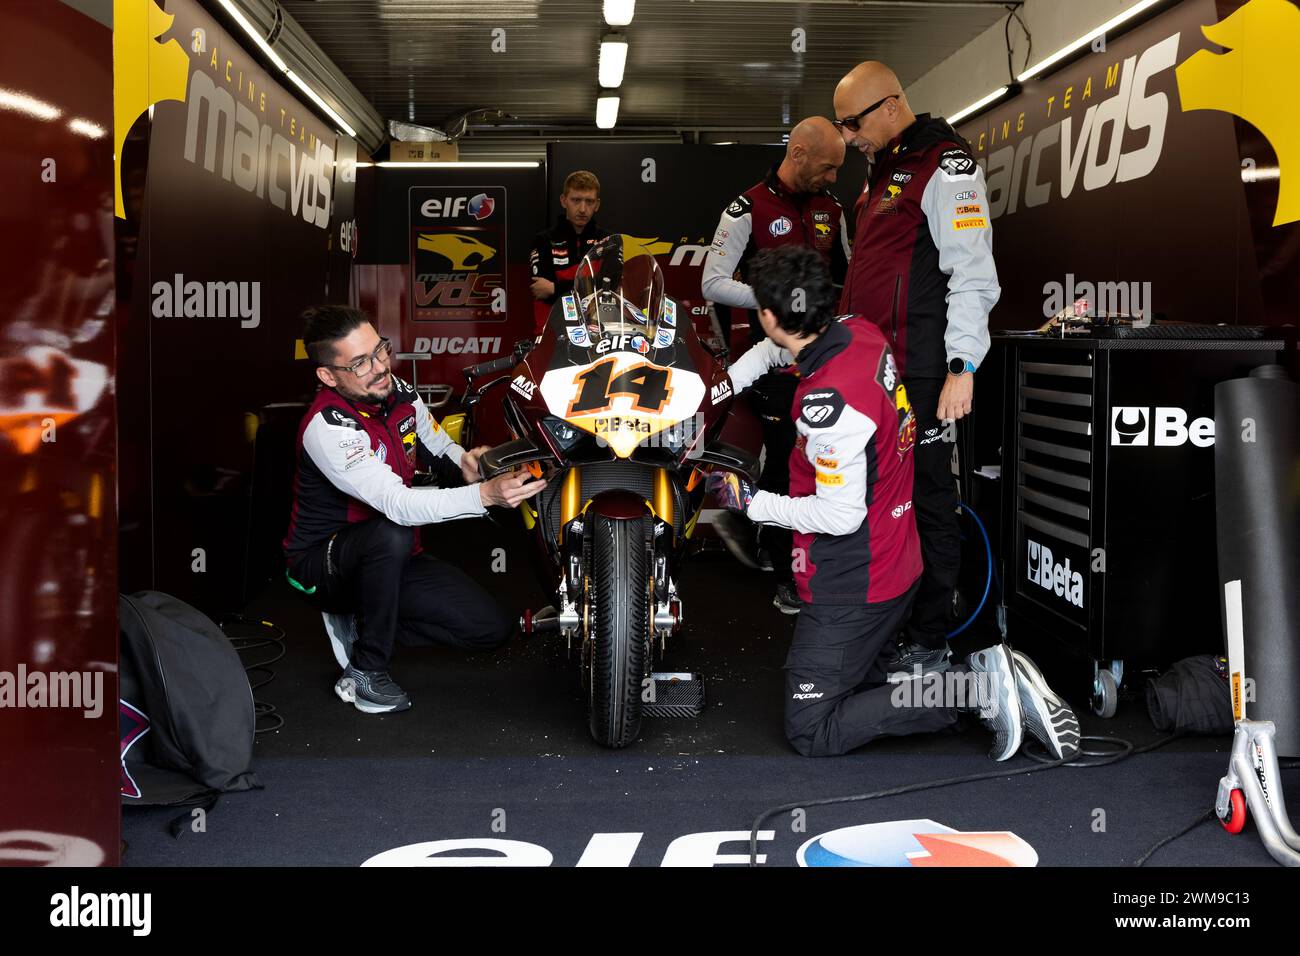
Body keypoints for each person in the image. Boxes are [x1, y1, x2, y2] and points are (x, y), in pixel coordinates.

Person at [709, 246, 1079, 760]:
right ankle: (960, 684)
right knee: (869, 688)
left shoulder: (829, 409)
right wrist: (720, 387)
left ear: (769, 316)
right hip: (896, 560)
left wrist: (752, 502)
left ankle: (979, 690)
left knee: (811, 726)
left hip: (855, 581)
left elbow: (839, 514)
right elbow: (781, 350)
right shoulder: (859, 329)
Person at [282, 306, 546, 714]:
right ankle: (365, 672)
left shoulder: (399, 391)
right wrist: (486, 496)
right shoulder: (329, 427)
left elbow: (437, 447)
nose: (379, 367)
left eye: (381, 351)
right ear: (328, 376)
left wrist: (467, 465)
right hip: (323, 565)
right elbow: (399, 506)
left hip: (395, 557)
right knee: (393, 531)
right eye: (360, 363)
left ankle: (368, 621)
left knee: (490, 630)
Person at [832, 61, 1000, 675]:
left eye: (852, 123)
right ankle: (888, 621)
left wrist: (963, 365)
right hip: (874, 372)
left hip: (925, 370)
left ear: (890, 105)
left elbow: (973, 274)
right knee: (876, 497)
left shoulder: (947, 166)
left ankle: (931, 636)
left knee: (929, 497)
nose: (848, 137)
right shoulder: (879, 177)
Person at [701, 117, 852, 615]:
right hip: (774, 364)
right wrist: (779, 300)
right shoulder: (746, 207)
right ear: (799, 152)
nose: (832, 179)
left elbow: (848, 281)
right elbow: (712, 282)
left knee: (828, 463)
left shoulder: (833, 209)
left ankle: (816, 561)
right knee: (788, 466)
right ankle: (786, 572)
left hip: (827, 362)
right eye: (827, 167)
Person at [529, 170, 610, 333]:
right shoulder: (544, 240)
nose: (582, 208)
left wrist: (555, 288)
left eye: (589, 201)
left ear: (597, 204)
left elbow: (610, 289)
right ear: (563, 200)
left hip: (598, 331)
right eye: (576, 200)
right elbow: (540, 289)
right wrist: (590, 286)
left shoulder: (608, 241)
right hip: (553, 332)